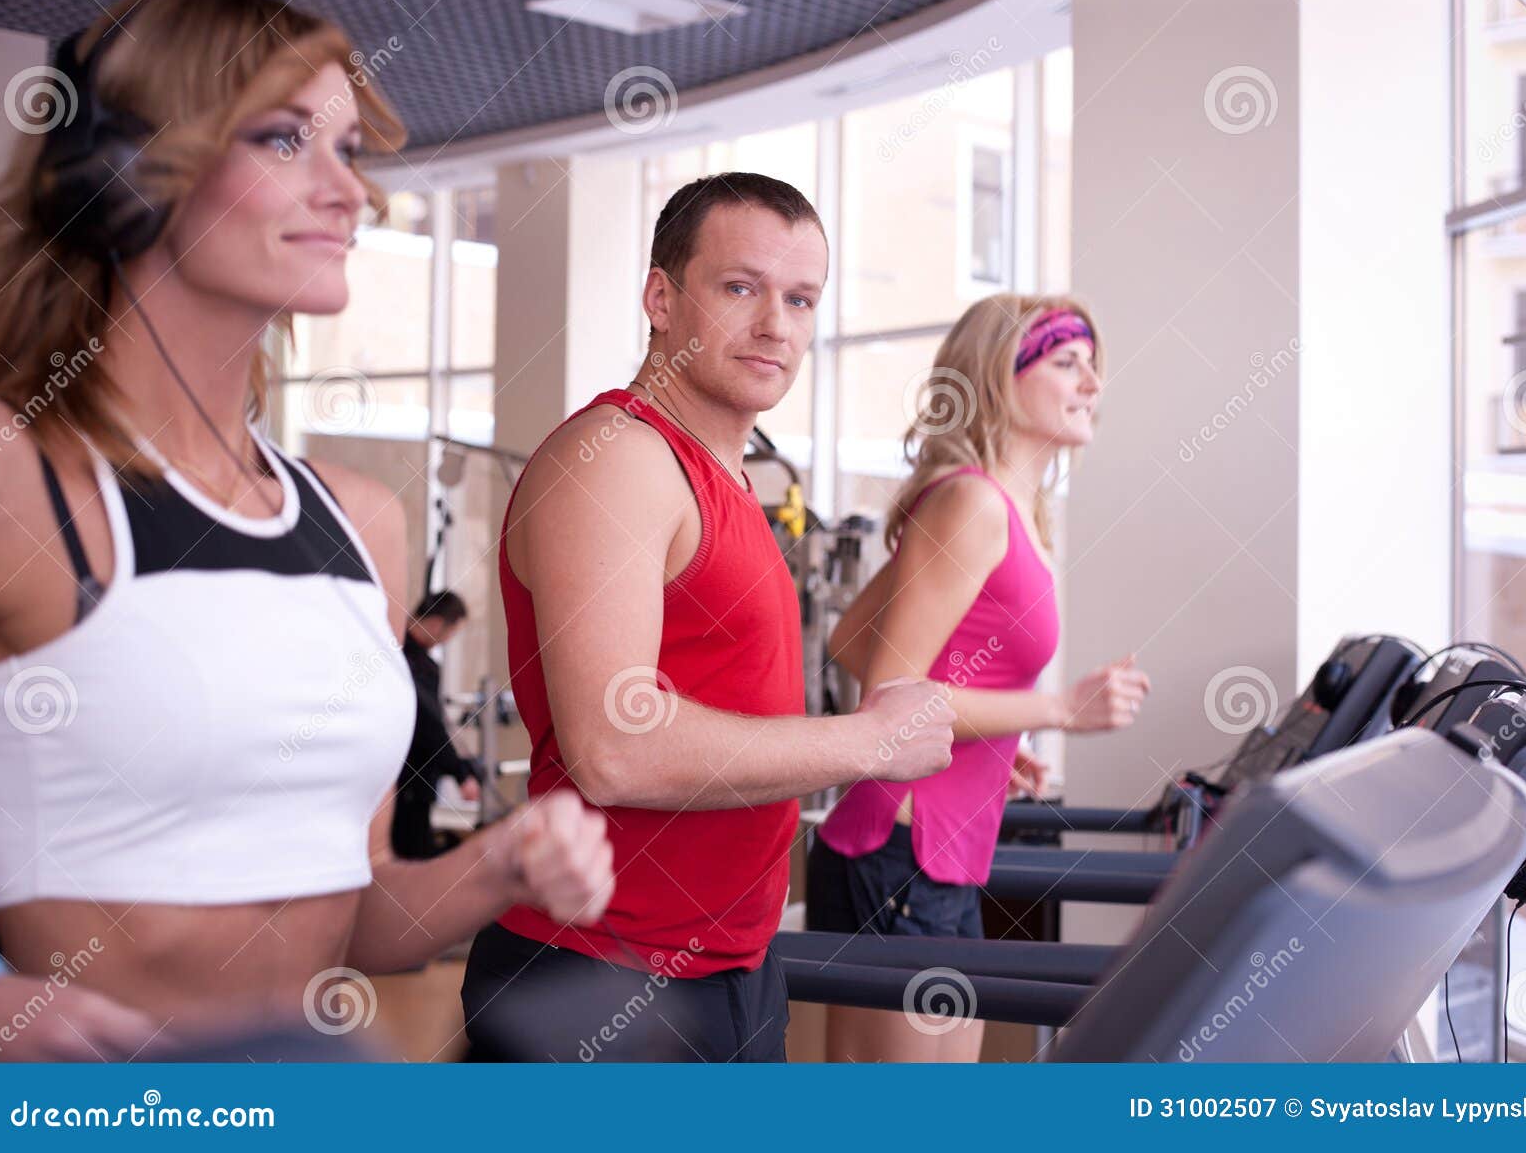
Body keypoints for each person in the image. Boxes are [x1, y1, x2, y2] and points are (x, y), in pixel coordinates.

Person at [0, 0, 611, 1053]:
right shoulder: (23, 478)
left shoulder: (357, 519)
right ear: (133, 170)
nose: (349, 190)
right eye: (284, 139)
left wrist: (497, 864)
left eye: (351, 149)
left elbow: (356, 911)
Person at [461, 172, 957, 1063]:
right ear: (660, 296)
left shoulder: (723, 477)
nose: (777, 324)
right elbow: (615, 747)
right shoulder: (619, 457)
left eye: (801, 299)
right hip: (597, 977)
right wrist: (870, 742)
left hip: (728, 968)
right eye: (741, 288)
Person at [808, 294, 1152, 1062]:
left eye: (1094, 366)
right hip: (896, 854)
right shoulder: (971, 504)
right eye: (1068, 363)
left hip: (935, 858)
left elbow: (854, 639)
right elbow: (892, 699)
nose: (1093, 383)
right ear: (1002, 376)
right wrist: (1060, 709)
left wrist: (990, 739)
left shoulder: (1006, 509)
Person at [394, 590, 483, 860]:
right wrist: (461, 774)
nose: (445, 640)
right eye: (450, 633)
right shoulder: (416, 664)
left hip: (397, 779)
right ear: (436, 623)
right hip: (409, 783)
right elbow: (430, 727)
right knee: (413, 857)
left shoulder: (391, 648)